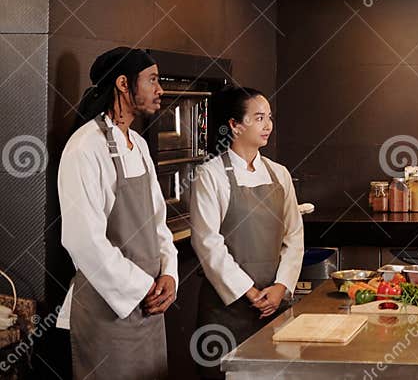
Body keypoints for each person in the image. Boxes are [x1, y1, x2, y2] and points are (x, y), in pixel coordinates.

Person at [56, 47, 177, 379]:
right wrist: (143, 288)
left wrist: (169, 275)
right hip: (109, 312)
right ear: (124, 84)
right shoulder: (84, 148)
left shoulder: (137, 143)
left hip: (150, 309)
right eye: (152, 80)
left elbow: (158, 223)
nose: (160, 89)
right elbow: (83, 241)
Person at [190, 85, 303, 372]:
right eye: (259, 118)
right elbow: (207, 243)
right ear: (235, 126)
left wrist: (281, 287)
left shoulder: (280, 174)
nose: (268, 125)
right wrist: (250, 292)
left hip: (275, 305)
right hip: (227, 309)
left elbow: (294, 235)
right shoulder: (210, 174)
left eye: (269, 117)